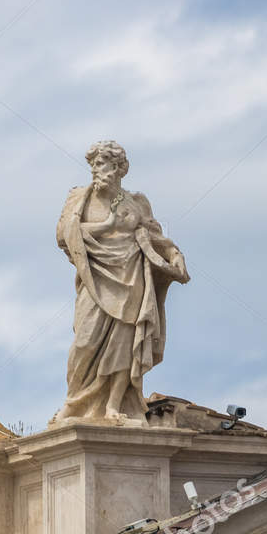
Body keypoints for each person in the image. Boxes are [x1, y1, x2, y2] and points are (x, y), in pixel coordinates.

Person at [52, 140, 189, 426]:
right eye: (92, 165)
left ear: (116, 168)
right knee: (85, 341)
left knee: (125, 343)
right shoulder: (80, 198)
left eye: (100, 164)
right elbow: (65, 236)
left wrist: (173, 253)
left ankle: (114, 404)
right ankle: (73, 403)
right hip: (96, 279)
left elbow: (154, 236)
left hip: (132, 277)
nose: (94, 170)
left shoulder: (136, 202)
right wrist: (108, 227)